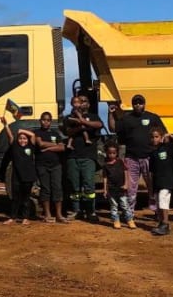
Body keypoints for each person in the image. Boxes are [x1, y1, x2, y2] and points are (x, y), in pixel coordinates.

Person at [113, 94, 166, 216]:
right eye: (135, 103)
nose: (138, 105)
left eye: (140, 103)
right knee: (131, 188)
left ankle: (157, 211)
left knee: (153, 186)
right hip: (132, 158)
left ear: (144, 104)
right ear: (132, 105)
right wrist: (111, 114)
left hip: (149, 157)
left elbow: (163, 134)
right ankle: (129, 213)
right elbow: (114, 129)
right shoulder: (126, 119)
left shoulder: (153, 117)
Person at [64, 93, 102, 221]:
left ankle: (90, 211)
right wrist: (81, 125)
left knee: (89, 186)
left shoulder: (93, 117)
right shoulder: (69, 117)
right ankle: (76, 211)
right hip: (72, 156)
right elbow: (67, 131)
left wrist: (83, 122)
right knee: (74, 186)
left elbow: (99, 125)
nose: (82, 103)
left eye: (84, 101)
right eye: (79, 101)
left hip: (88, 156)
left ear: (88, 104)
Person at [147, 126, 173, 236]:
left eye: (157, 137)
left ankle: (165, 224)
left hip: (168, 181)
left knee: (164, 200)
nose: (154, 139)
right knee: (159, 202)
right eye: (152, 137)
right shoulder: (152, 153)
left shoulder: (168, 148)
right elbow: (152, 171)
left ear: (161, 137)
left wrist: (170, 135)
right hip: (158, 182)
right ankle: (161, 222)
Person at [1, 115, 37, 224]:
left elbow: (33, 135)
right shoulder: (15, 146)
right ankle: (12, 217)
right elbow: (10, 136)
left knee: (26, 198)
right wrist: (5, 125)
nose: (22, 140)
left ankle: (25, 218)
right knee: (15, 198)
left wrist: (22, 131)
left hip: (28, 176)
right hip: (16, 176)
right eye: (20, 138)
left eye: (24, 138)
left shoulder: (31, 146)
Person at [33, 111, 67, 223]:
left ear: (50, 121)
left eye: (48, 120)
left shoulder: (55, 133)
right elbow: (40, 144)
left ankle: (59, 215)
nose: (45, 122)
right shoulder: (36, 132)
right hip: (42, 164)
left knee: (57, 188)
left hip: (56, 165)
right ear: (40, 120)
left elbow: (62, 148)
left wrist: (47, 148)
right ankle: (47, 214)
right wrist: (55, 145)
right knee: (45, 188)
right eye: (43, 119)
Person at [102, 142, 134, 229]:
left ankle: (129, 220)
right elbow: (105, 178)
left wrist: (126, 184)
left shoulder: (120, 162)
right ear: (106, 153)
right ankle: (116, 221)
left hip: (121, 188)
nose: (112, 155)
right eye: (109, 153)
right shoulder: (105, 165)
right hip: (111, 189)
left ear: (117, 153)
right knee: (114, 206)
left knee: (125, 205)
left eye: (114, 153)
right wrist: (105, 190)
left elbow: (126, 172)